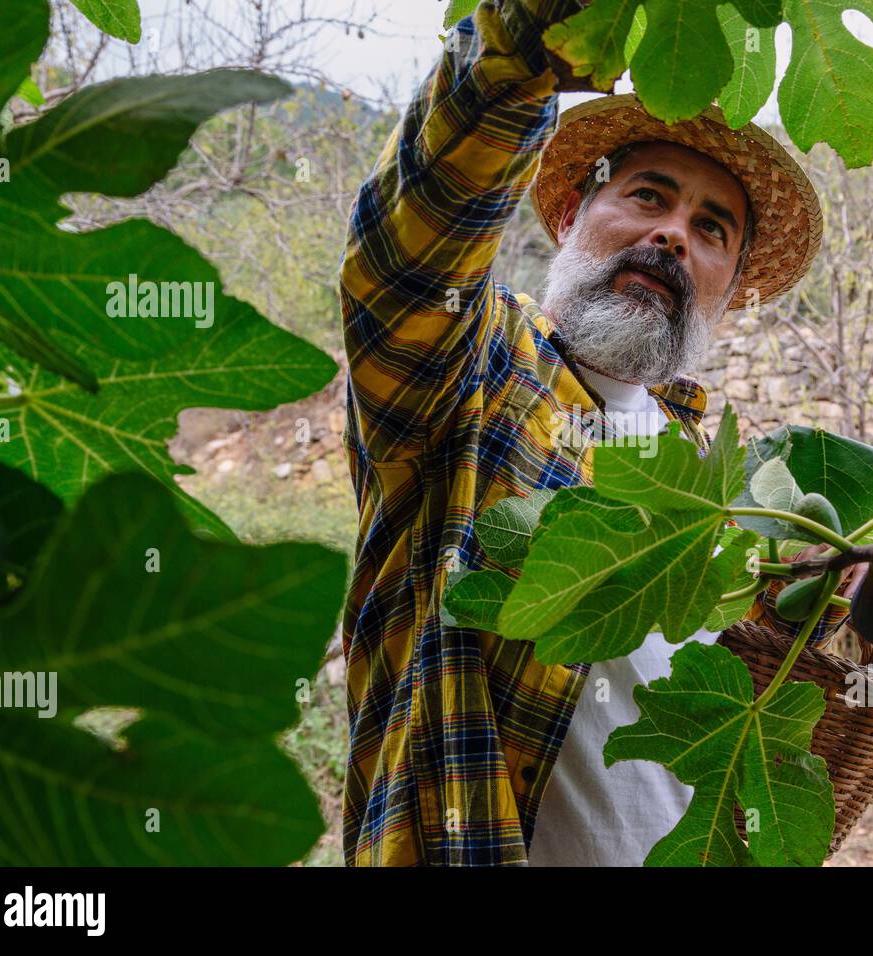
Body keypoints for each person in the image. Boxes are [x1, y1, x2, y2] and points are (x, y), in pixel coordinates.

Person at [337, 0, 832, 866]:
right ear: (569, 216)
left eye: (711, 229)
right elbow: (405, 260)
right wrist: (516, 56)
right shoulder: (475, 370)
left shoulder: (705, 468)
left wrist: (830, 586)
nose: (673, 234)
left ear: (730, 291)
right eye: (649, 195)